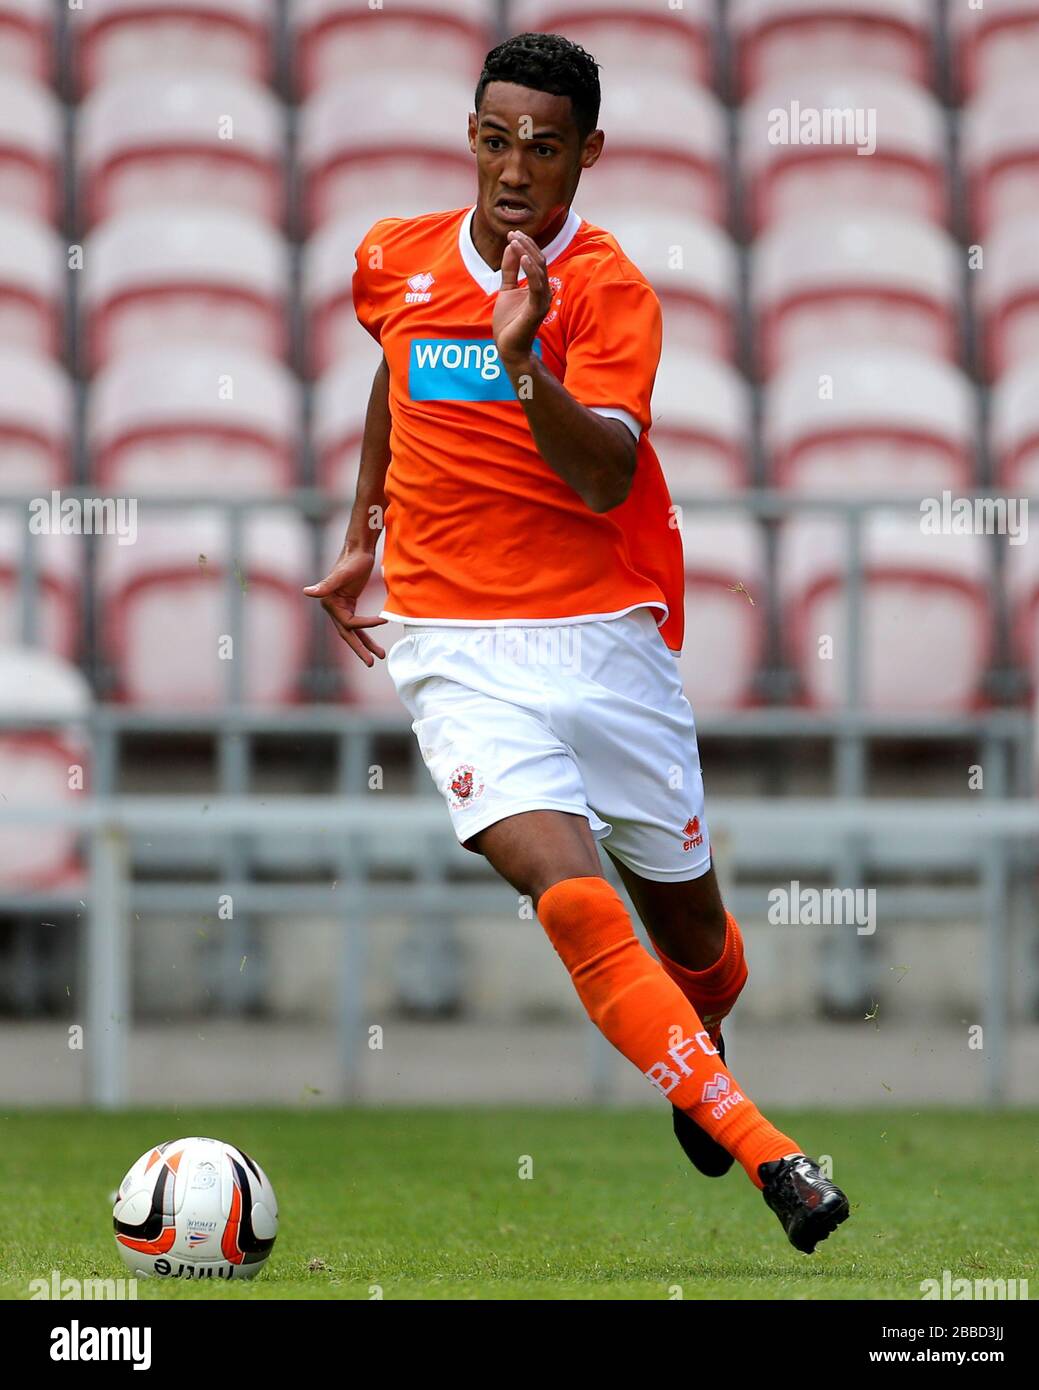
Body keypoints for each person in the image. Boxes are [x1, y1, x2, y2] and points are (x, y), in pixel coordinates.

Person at [305, 31, 849, 1254]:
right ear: (471, 138)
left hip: (604, 645)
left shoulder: (607, 293)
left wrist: (523, 369)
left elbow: (607, 475)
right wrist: (363, 536)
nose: (514, 171)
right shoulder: (390, 258)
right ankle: (777, 1158)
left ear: (587, 154)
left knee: (699, 947)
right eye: (495, 141)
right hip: (452, 645)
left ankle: (697, 1043)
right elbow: (394, 385)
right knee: (571, 898)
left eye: (543, 149)